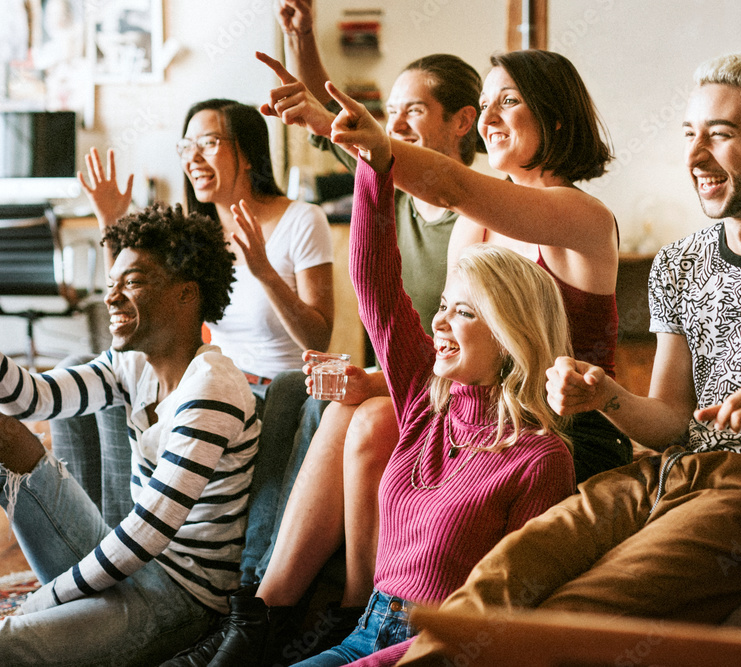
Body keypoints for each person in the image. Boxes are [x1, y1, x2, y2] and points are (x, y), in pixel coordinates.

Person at [395, 49, 741, 666]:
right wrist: (605, 396)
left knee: (579, 611)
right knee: (501, 579)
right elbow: (670, 420)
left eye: (719, 136)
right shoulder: (682, 262)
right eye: (690, 135)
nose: (695, 157)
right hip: (669, 473)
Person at [164, 78, 577, 667]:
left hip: (432, 648)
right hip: (366, 630)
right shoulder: (428, 409)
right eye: (441, 309)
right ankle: (258, 613)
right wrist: (372, 165)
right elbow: (376, 288)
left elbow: (513, 617)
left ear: (512, 336)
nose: (438, 324)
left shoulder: (540, 460)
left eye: (462, 313)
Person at [0, 206, 260, 665]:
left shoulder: (212, 389)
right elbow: (25, 399)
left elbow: (148, 534)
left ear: (186, 295)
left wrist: (46, 599)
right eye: (111, 284)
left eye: (131, 282)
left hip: (180, 600)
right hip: (130, 566)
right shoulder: (131, 365)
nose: (111, 298)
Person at [234, 0, 483, 609]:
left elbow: (474, 357)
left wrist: (372, 381)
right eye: (388, 112)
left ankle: (347, 606)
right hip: (391, 379)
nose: (391, 125)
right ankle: (269, 598)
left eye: (413, 113)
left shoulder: (484, 214)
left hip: (448, 389)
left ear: (462, 121)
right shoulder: (387, 184)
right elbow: (335, 116)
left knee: (360, 417)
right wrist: (302, 34)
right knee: (321, 405)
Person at [50, 97, 334, 538]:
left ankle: (120, 547)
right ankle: (95, 538)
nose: (193, 158)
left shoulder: (301, 219)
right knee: (86, 373)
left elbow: (318, 337)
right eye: (186, 146)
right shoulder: (196, 233)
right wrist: (110, 222)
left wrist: (264, 273)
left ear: (248, 150)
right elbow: (131, 306)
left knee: (126, 388)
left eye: (208, 142)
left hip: (269, 395)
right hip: (202, 378)